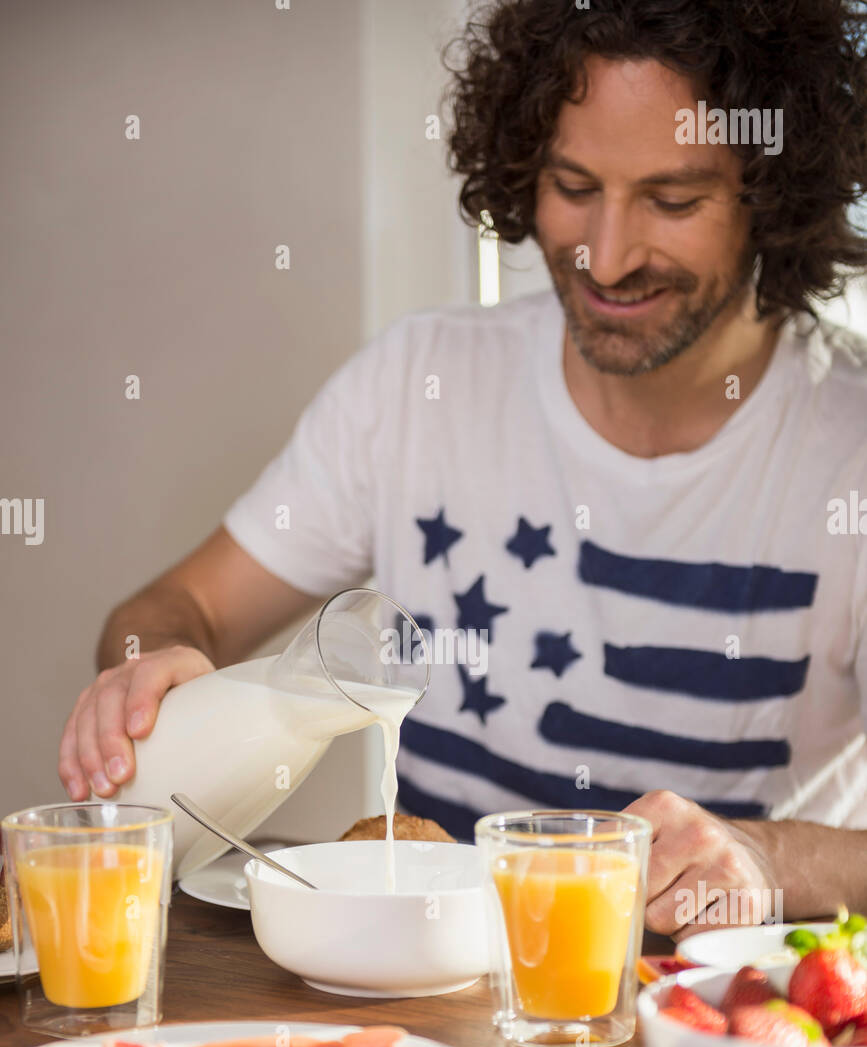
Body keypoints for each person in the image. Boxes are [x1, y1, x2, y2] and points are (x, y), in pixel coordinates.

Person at [58, 0, 867, 936]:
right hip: (434, 992)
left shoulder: (845, 445)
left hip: (713, 1025)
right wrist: (154, 668)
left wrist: (767, 856)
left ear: (774, 193)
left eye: (672, 200)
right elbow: (168, 614)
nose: (605, 256)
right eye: (571, 186)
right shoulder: (419, 381)